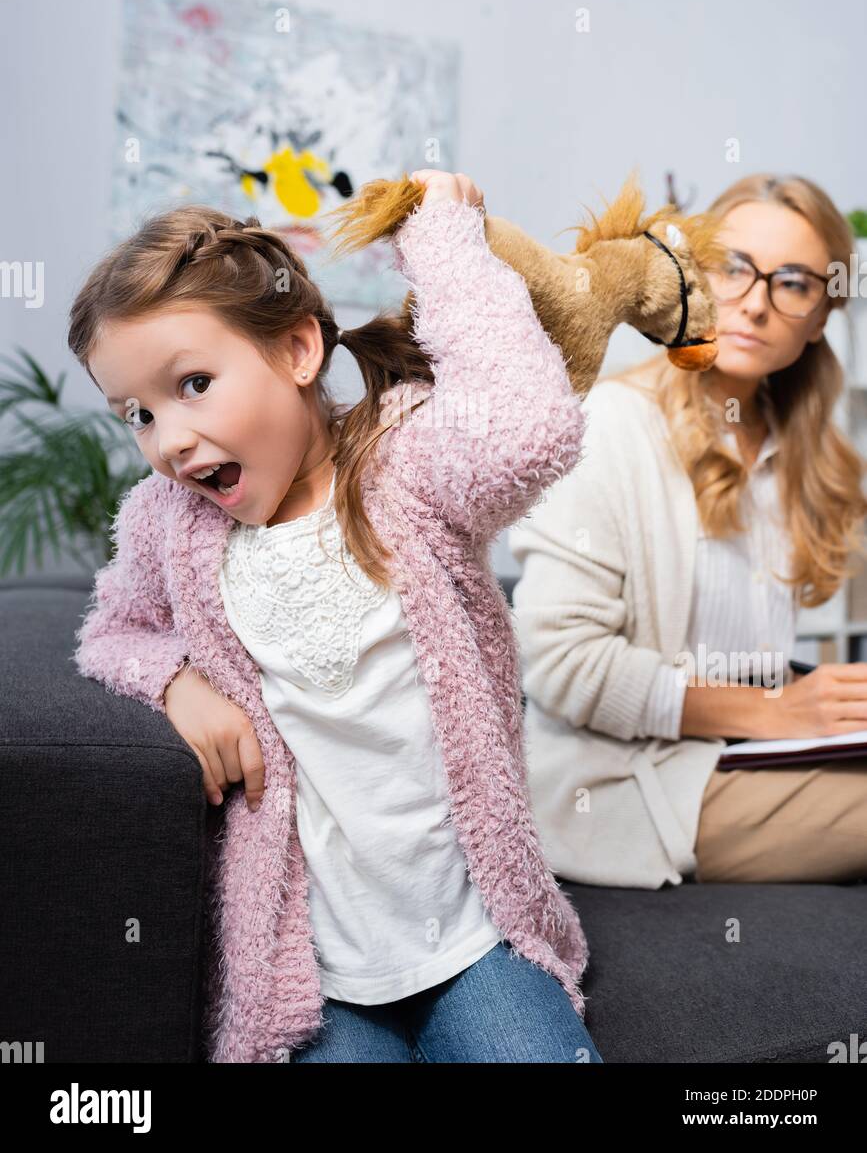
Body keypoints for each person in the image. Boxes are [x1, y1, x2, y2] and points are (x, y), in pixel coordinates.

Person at [68, 169, 602, 1063]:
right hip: (315, 969)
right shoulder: (169, 523)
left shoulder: (404, 460)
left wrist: (438, 232)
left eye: (193, 383)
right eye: (139, 414)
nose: (168, 441)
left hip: (477, 943)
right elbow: (111, 633)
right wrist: (176, 682)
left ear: (298, 350)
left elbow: (529, 426)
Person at [508, 173, 867, 889]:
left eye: (791, 282)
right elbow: (560, 667)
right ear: (692, 273)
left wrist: (800, 708)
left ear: (819, 316)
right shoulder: (607, 424)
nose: (754, 303)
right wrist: (776, 711)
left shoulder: (804, 452)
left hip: (741, 746)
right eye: (732, 266)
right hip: (631, 779)